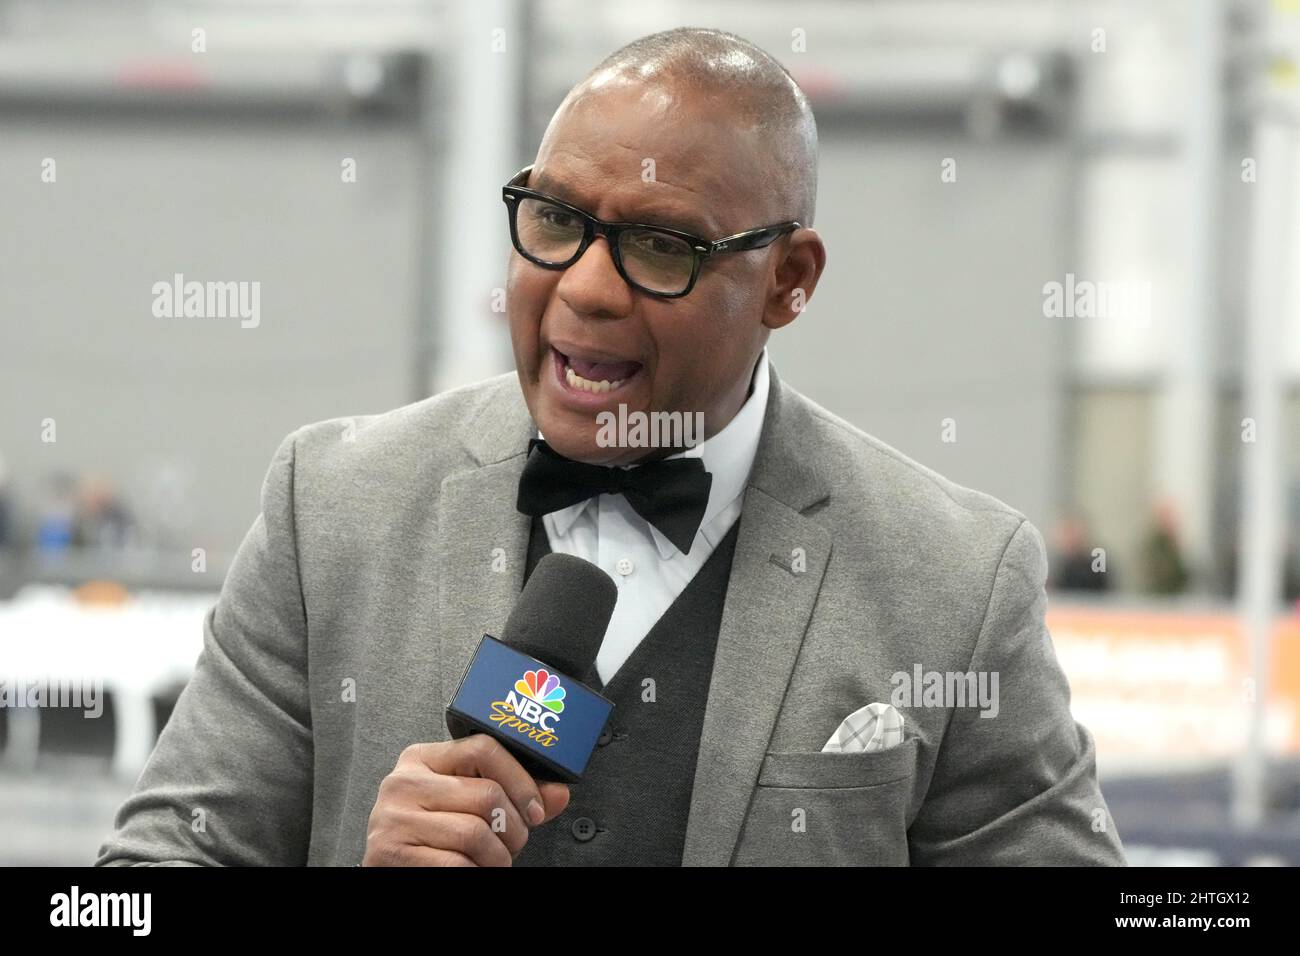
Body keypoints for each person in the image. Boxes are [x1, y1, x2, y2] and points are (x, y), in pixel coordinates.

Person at [96, 27, 1124, 867]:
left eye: (657, 245)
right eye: (553, 218)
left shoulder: (951, 579)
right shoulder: (330, 508)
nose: (583, 285)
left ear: (788, 280)